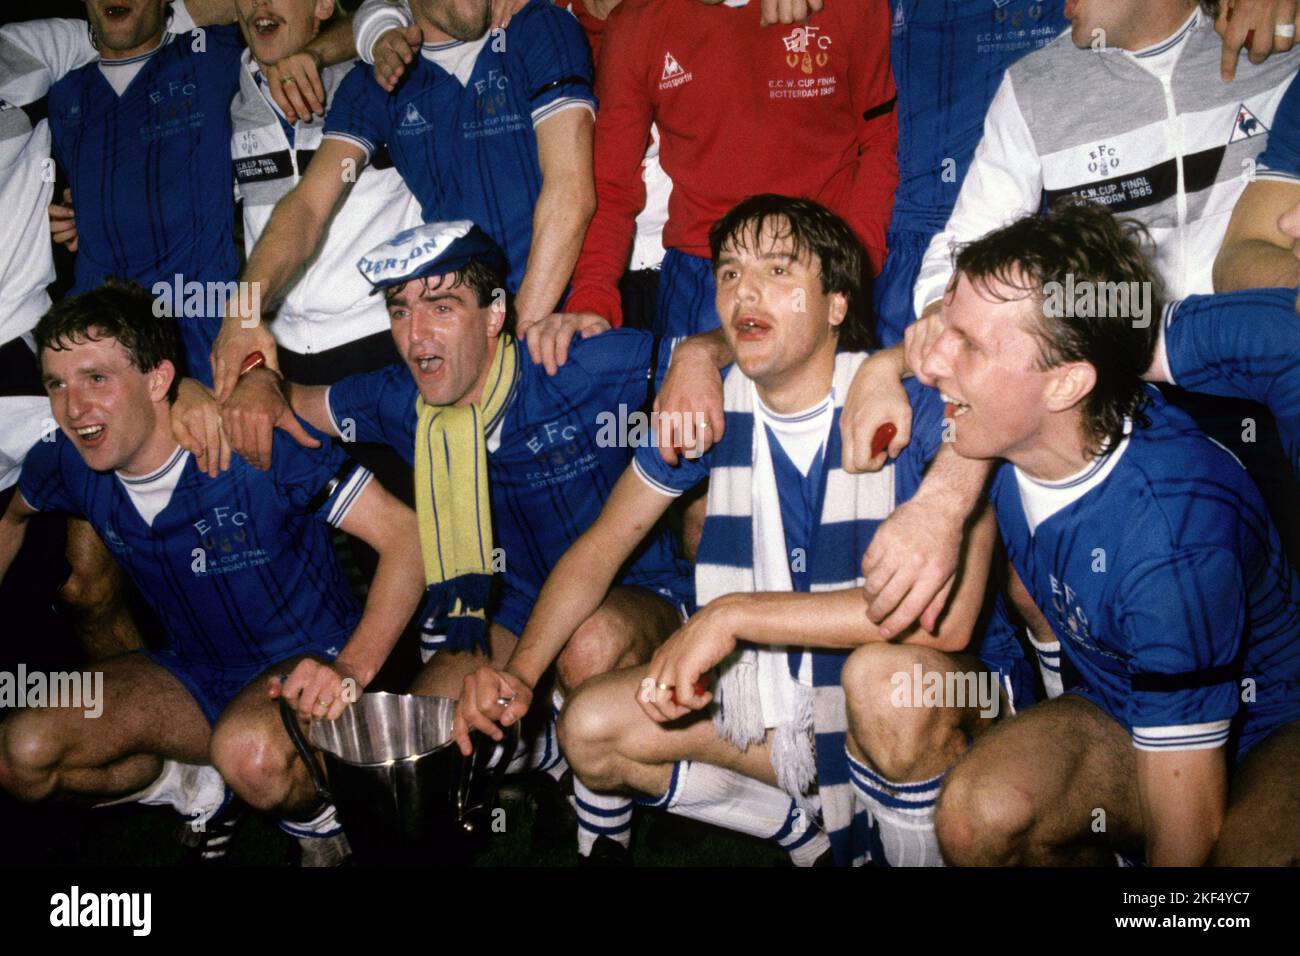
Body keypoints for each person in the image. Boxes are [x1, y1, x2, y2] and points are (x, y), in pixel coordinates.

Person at [475, 195, 1022, 866]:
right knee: (588, 726)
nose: (745, 290)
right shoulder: (711, 408)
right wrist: (522, 677)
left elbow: (946, 626)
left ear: (836, 306)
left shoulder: (914, 408)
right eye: (729, 273)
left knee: (887, 686)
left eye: (779, 271)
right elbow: (598, 550)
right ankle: (801, 829)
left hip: (948, 704)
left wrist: (737, 616)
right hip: (789, 715)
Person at [236, 220, 693, 861]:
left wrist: (696, 355)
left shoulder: (573, 365)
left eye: (441, 307)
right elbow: (285, 403)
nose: (415, 335)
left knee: (586, 646)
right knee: (425, 742)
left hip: (634, 593)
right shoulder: (400, 399)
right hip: (507, 609)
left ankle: (603, 834)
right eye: (400, 310)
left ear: (494, 315)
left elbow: (734, 351)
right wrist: (256, 377)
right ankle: (553, 746)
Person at [907, 202, 1300, 865]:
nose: (931, 359)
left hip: (1270, 723)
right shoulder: (1005, 419)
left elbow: (1186, 839)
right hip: (1121, 701)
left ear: (1064, 384)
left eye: (968, 343)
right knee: (979, 817)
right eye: (947, 322)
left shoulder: (1173, 536)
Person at [0, 279, 424, 865]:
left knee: (251, 751)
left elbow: (408, 538)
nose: (74, 408)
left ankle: (326, 825)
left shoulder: (250, 437)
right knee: (23, 752)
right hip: (198, 677)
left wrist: (350, 667)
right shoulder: (66, 462)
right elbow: (12, 519)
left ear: (157, 379)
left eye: (96, 378)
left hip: (313, 663)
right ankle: (194, 785)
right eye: (56, 384)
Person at [207, 0, 598, 408]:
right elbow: (309, 206)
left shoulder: (536, 28)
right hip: (461, 351)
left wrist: (512, 340)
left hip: (558, 327)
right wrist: (244, 308)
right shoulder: (373, 85)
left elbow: (570, 191)